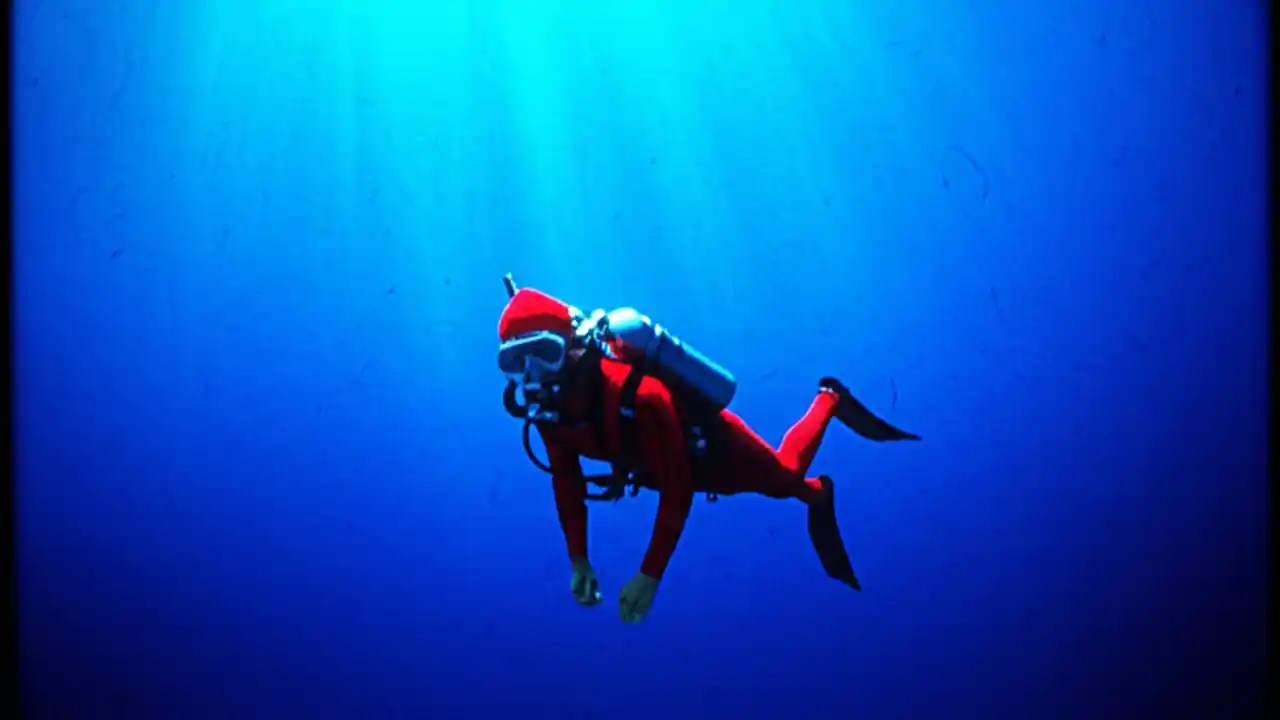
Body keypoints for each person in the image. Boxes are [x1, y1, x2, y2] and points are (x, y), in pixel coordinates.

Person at [496, 274, 919, 624]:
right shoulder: (552, 417)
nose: (534, 375)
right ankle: (818, 494)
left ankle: (830, 398)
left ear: (572, 343)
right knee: (784, 486)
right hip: (661, 468)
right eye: (518, 362)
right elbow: (566, 481)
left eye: (544, 355)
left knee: (784, 474)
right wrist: (579, 560)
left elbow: (679, 486)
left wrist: (649, 574)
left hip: (711, 448)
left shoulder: (641, 393)